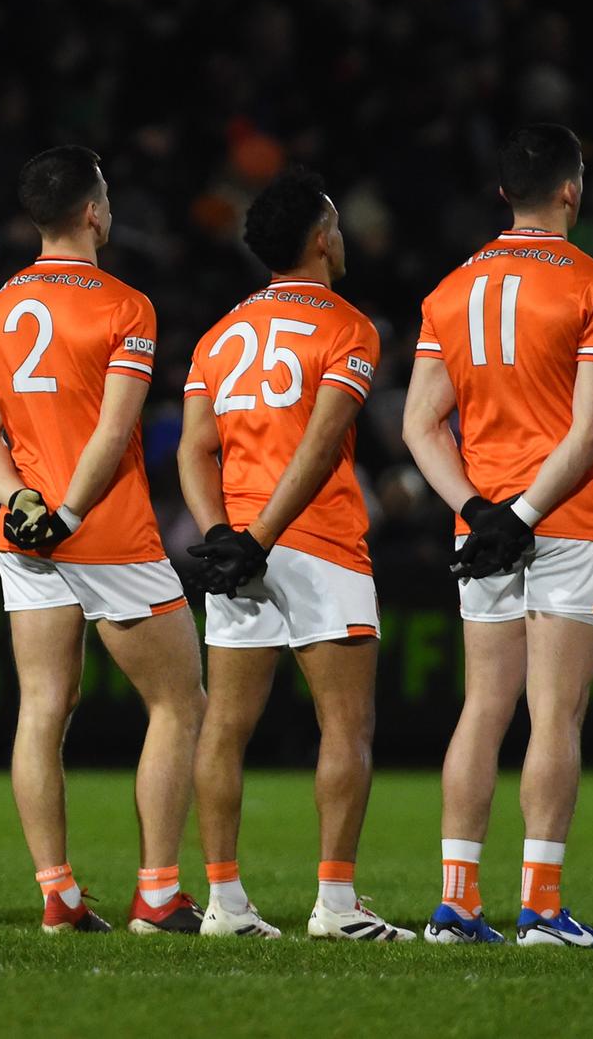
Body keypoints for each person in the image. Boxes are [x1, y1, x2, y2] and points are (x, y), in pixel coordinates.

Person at [0, 145, 206, 934]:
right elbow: (113, 430)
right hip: (105, 529)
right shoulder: (125, 305)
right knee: (177, 701)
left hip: (24, 535)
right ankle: (158, 892)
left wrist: (21, 497)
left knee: (41, 707)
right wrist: (64, 509)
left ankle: (56, 893)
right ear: (93, 211)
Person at [402, 125, 593, 949]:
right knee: (555, 714)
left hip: (484, 526)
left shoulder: (450, 288)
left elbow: (420, 423)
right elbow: (590, 430)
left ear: (504, 193)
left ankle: (457, 904)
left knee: (483, 706)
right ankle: (540, 906)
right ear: (570, 190)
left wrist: (477, 511)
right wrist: (523, 516)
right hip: (563, 518)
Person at [178, 168, 410, 942]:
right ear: (319, 238)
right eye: (336, 223)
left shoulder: (220, 334)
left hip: (239, 548)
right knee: (345, 725)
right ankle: (337, 905)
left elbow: (194, 448)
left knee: (225, 726)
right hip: (314, 539)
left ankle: (223, 902)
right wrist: (260, 538)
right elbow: (317, 446)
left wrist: (221, 536)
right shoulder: (350, 326)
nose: (342, 235)